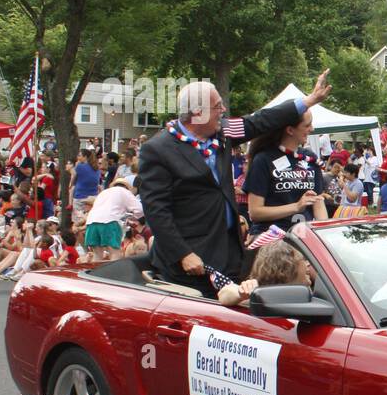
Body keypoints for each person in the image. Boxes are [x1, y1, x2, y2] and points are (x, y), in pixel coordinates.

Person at [138, 70, 332, 294]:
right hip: (192, 260)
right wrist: (183, 254)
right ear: (198, 113)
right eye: (218, 107)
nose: (223, 111)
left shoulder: (223, 133)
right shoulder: (158, 150)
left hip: (228, 249)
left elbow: (261, 120)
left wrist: (309, 100)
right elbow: (156, 210)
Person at [244, 106, 330, 241]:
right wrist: (296, 206)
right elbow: (255, 212)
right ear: (290, 130)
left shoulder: (310, 158)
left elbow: (318, 203)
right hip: (271, 240)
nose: (312, 129)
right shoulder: (263, 159)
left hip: (304, 240)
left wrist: (324, 235)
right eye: (307, 125)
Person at [217, 239, 314, 308]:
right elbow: (224, 294)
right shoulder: (263, 296)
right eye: (303, 259)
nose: (308, 264)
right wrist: (241, 292)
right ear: (286, 268)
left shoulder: (314, 292)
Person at [83, 179, 143, 262]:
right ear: (127, 187)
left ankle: (95, 274)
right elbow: (140, 210)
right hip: (109, 221)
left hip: (91, 222)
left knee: (97, 254)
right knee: (115, 252)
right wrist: (132, 217)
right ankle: (115, 274)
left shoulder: (103, 192)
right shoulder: (124, 191)